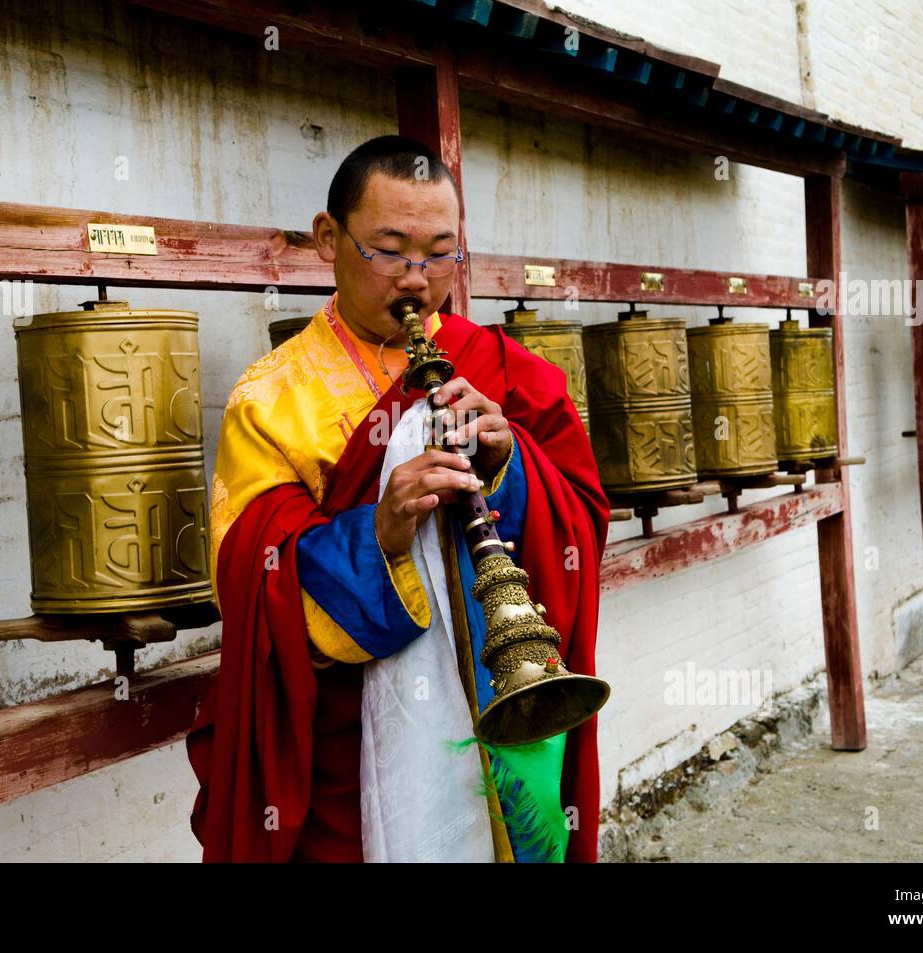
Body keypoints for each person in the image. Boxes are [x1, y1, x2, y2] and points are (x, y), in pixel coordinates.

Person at [186, 134, 609, 862]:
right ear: (329, 238)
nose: (417, 280)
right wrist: (376, 532)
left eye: (441, 254)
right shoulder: (271, 399)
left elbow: (581, 523)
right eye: (389, 249)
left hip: (503, 722)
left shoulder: (503, 370)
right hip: (348, 756)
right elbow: (256, 584)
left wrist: (512, 467)